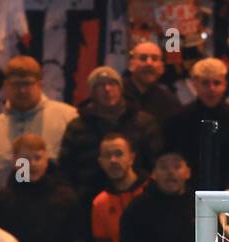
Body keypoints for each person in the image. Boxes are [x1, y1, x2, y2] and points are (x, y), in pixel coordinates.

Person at [59, 65, 160, 198]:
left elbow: (156, 163)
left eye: (112, 84)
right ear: (92, 92)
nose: (107, 90)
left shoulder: (143, 122)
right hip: (89, 201)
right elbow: (66, 169)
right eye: (100, 86)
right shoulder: (77, 127)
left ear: (121, 88)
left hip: (137, 198)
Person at [0, 56, 78, 184]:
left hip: (56, 202)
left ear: (40, 84)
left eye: (27, 84)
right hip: (8, 202)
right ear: (6, 85)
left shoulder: (68, 118)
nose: (22, 90)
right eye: (16, 84)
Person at [162, 58, 229, 187]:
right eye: (205, 83)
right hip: (188, 190)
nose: (211, 89)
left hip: (227, 189)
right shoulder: (178, 119)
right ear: (195, 84)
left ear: (225, 85)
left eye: (217, 83)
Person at [122, 41, 181, 124]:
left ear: (161, 68)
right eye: (143, 58)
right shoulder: (116, 94)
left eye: (155, 59)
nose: (149, 63)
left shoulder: (169, 102)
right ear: (131, 65)